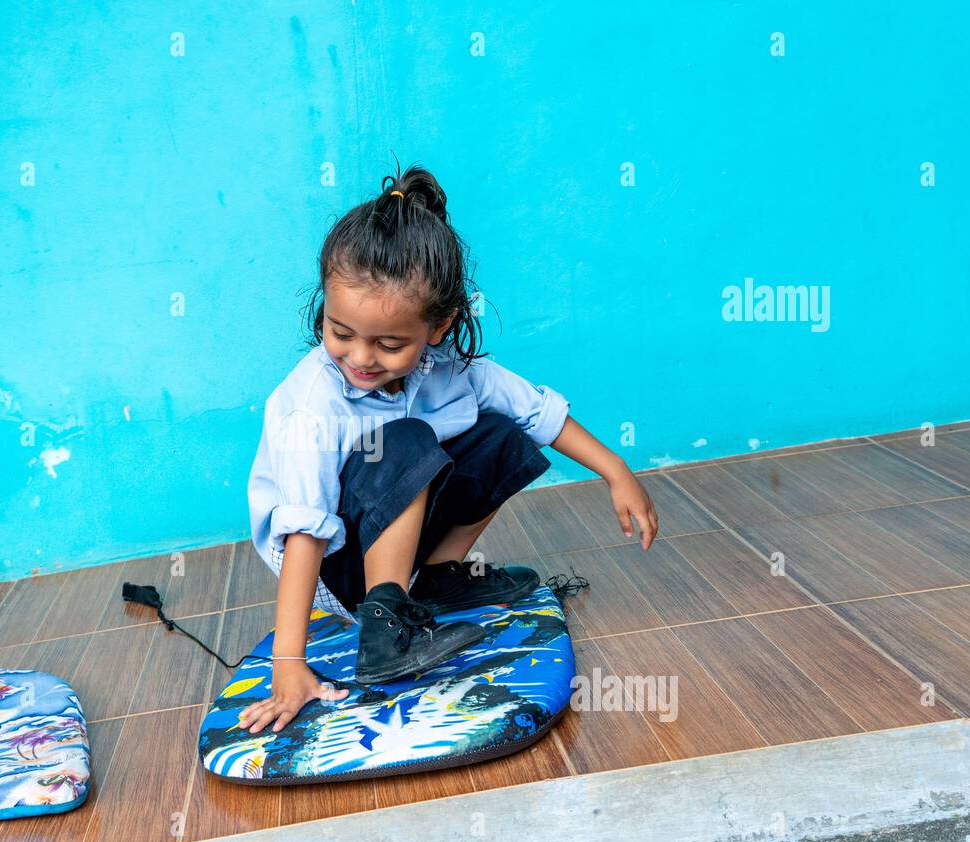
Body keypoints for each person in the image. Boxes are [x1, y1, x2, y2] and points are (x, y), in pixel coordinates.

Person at [241, 162, 658, 735]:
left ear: (438, 328)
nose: (360, 358)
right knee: (406, 442)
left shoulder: (452, 369)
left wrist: (617, 471)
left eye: (388, 343)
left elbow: (537, 411)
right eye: (340, 333)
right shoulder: (311, 404)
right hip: (332, 569)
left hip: (398, 537)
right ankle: (386, 626)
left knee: (501, 436)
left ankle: (433, 580)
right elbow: (304, 528)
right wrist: (289, 664)